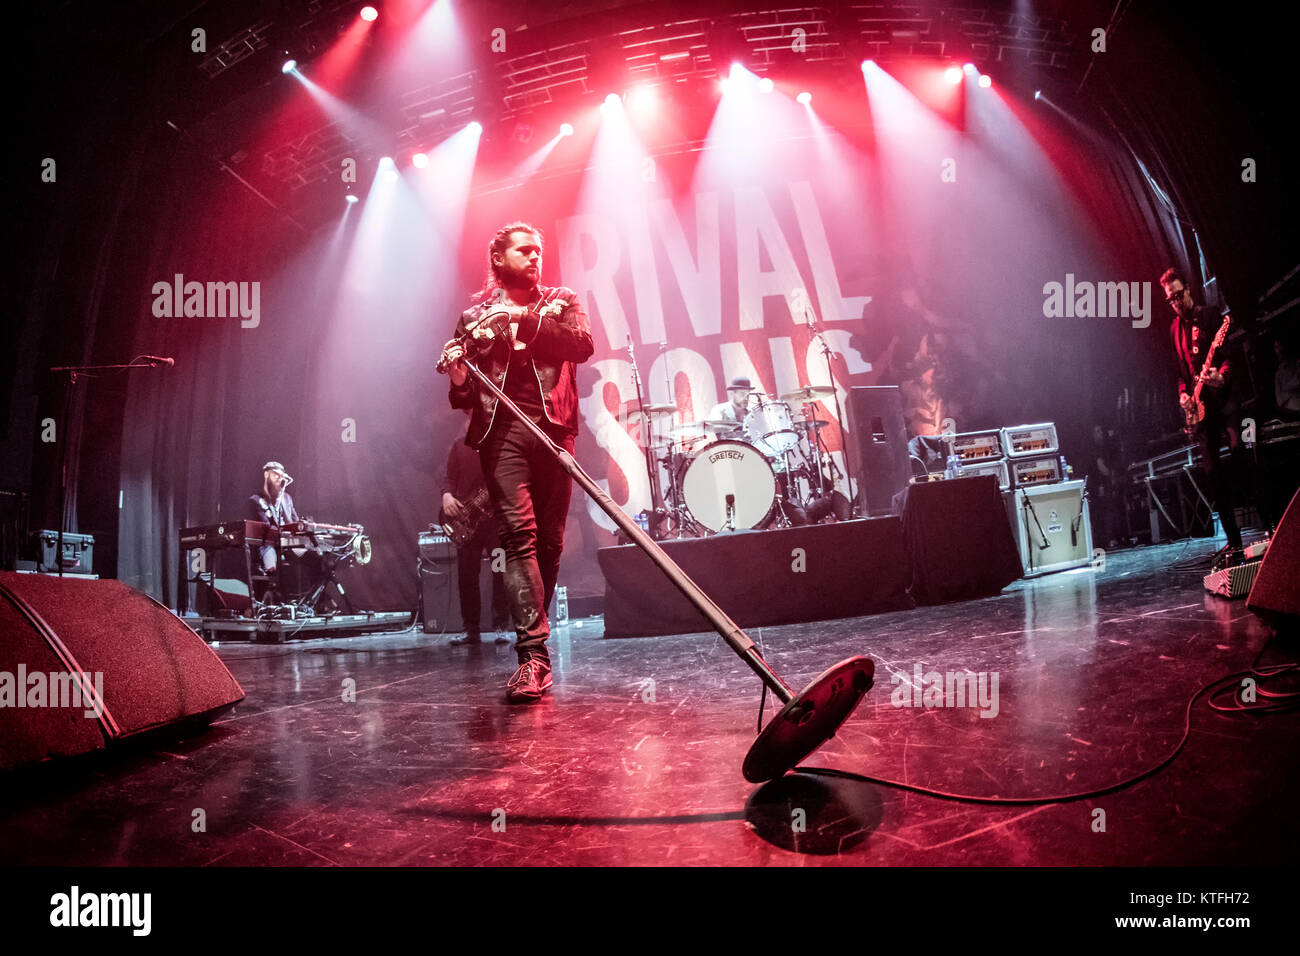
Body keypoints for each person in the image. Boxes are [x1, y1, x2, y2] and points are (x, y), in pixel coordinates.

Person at [438, 222, 594, 703]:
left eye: (539, 250)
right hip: (500, 434)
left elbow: (581, 346)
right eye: (524, 250)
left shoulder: (563, 301)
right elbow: (464, 397)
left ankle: (535, 644)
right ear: (498, 260)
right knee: (518, 537)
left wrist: (521, 322)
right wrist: (460, 374)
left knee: (550, 543)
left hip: (554, 432)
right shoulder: (473, 317)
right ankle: (533, 658)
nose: (534, 257)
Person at [1161, 267, 1243, 556]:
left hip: (1226, 402)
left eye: (1178, 295)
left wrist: (1221, 375)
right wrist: (1183, 394)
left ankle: (1271, 525)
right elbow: (1180, 373)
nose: (1175, 302)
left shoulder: (1210, 316)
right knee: (1212, 474)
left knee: (1239, 452)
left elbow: (1230, 356)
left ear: (1188, 290)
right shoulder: (1173, 330)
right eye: (1170, 299)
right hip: (1201, 411)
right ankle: (1234, 541)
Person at [440, 414, 511, 645]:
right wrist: (447, 496)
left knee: (500, 571)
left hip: (495, 523)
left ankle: (501, 626)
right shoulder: (459, 446)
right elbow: (449, 477)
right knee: (467, 576)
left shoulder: (500, 447)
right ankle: (470, 629)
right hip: (467, 520)